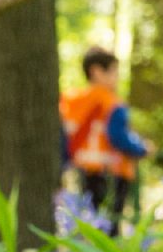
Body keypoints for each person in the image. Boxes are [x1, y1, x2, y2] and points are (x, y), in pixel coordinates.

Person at [59, 45, 150, 235]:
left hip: (83, 171)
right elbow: (118, 137)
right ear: (97, 72)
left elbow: (65, 139)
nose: (117, 78)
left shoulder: (71, 101)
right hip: (112, 174)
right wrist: (142, 148)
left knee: (89, 223)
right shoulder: (111, 103)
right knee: (110, 226)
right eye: (114, 72)